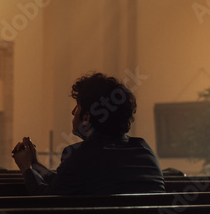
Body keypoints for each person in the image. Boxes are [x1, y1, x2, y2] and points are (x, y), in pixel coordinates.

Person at [11, 72, 164, 195]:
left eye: (77, 107)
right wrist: (36, 165)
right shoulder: (143, 149)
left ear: (86, 117)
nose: (73, 112)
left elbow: (47, 200)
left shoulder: (81, 155)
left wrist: (26, 169)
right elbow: (66, 181)